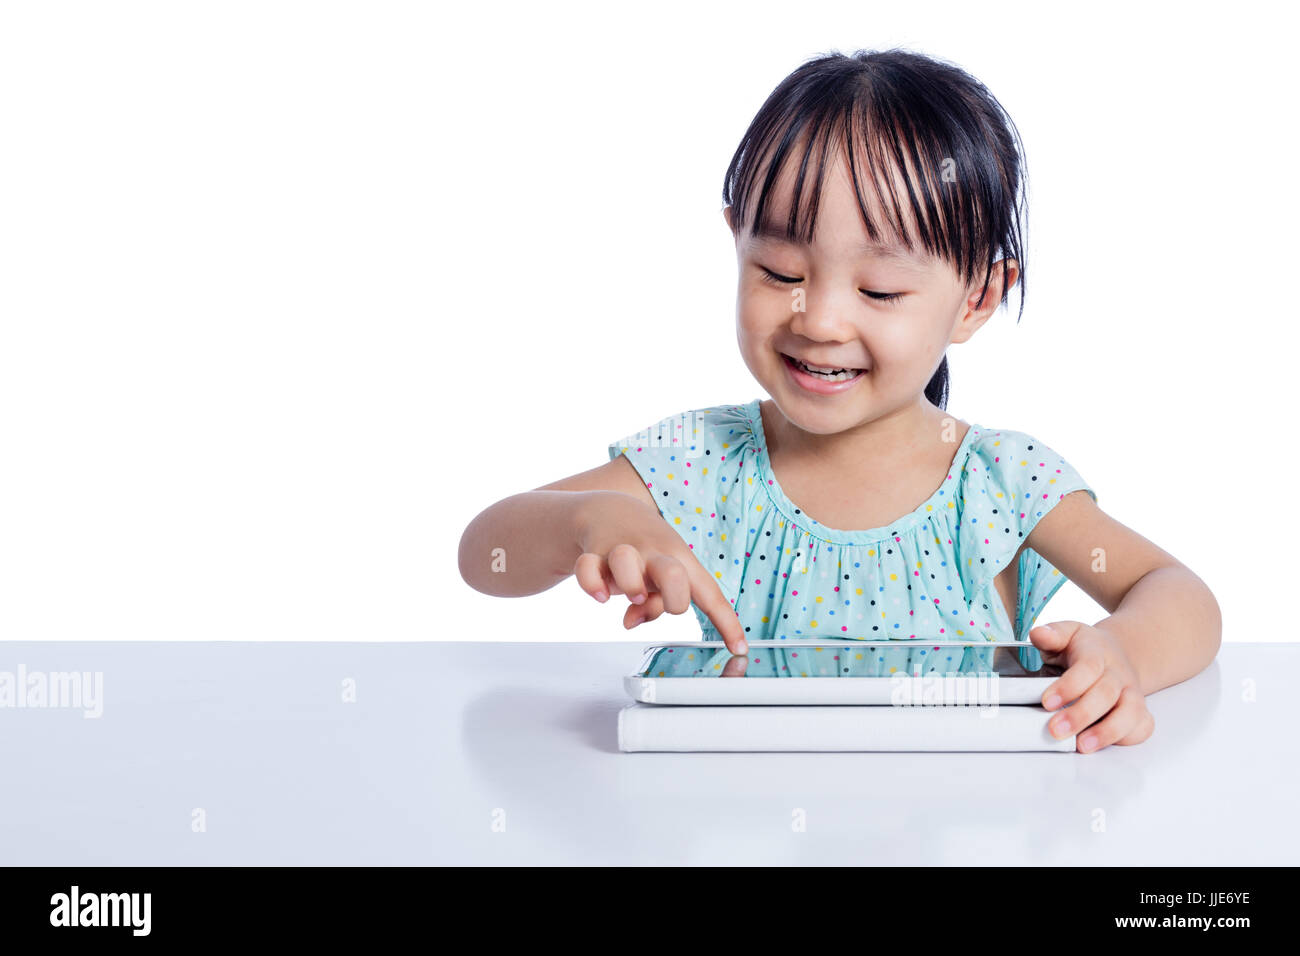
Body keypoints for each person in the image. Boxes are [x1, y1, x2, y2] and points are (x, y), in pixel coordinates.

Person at [459, 48, 1221, 754]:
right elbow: (485, 552)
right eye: (781, 271)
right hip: (745, 809)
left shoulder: (999, 481)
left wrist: (1123, 654)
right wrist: (588, 521)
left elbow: (1180, 595)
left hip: (968, 810)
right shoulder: (705, 463)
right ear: (736, 242)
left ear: (979, 296)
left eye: (879, 289)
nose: (818, 320)